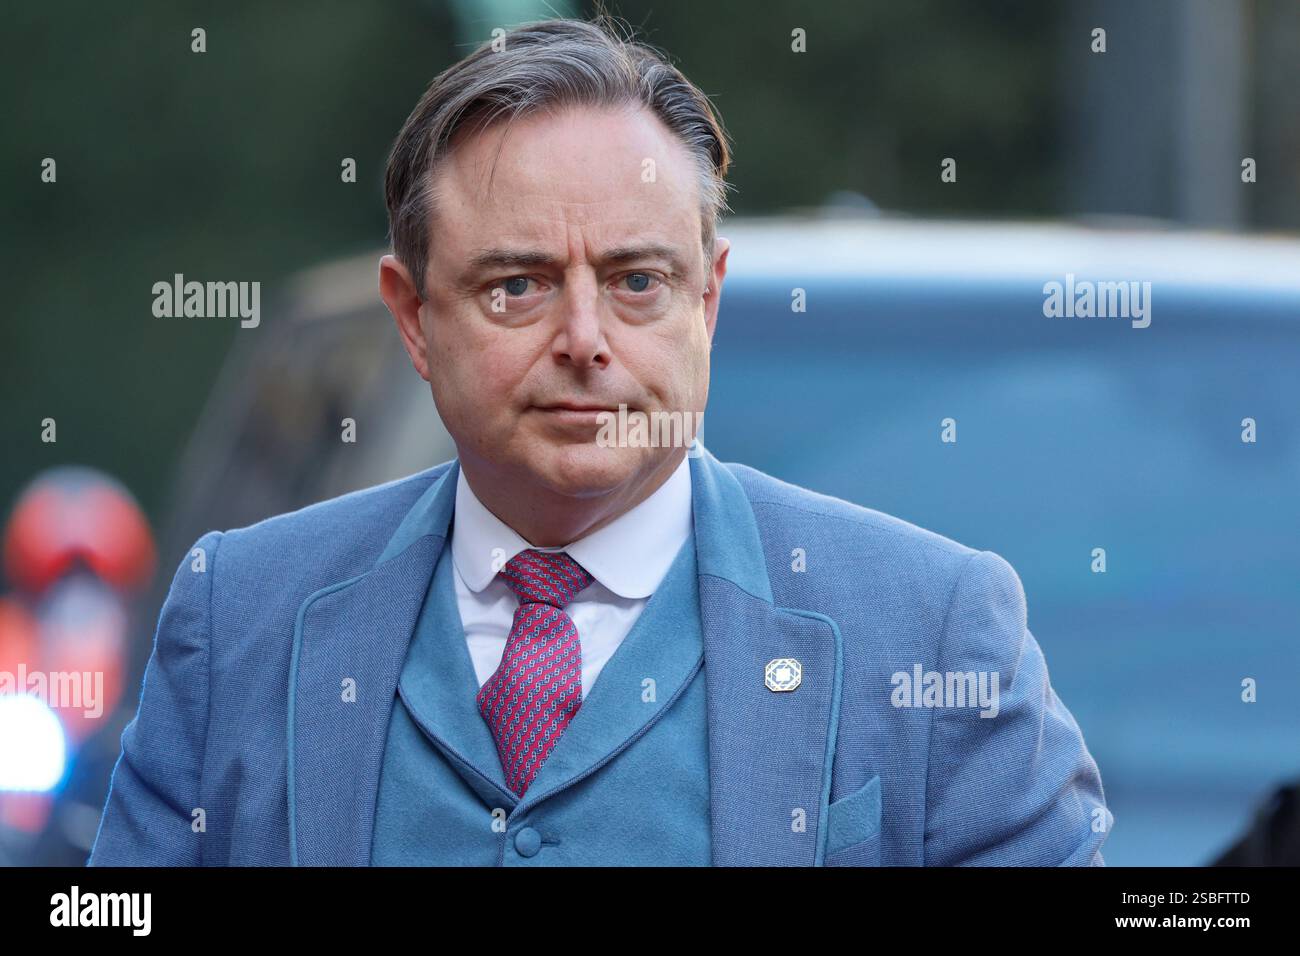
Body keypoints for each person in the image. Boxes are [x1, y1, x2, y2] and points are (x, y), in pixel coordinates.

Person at [89, 15, 1106, 866]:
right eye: (517, 286)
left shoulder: (930, 632)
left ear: (706, 300)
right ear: (411, 318)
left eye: (636, 282)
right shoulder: (241, 621)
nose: (584, 341)